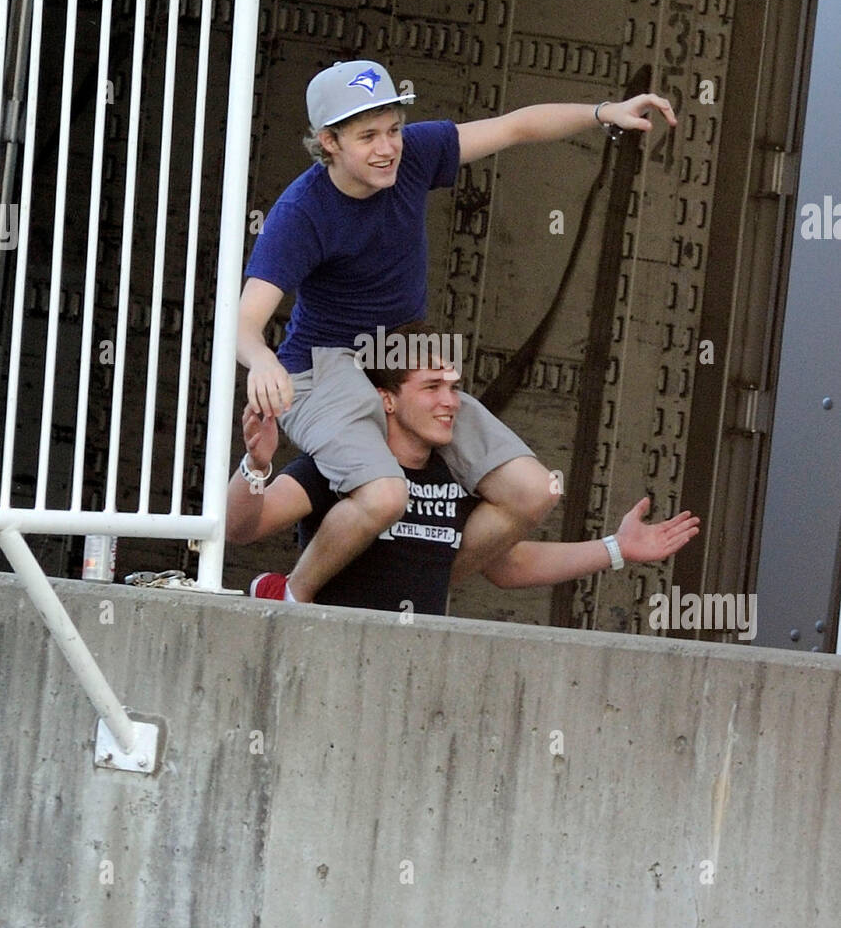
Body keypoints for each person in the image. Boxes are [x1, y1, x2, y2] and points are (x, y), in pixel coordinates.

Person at [237, 60, 677, 606]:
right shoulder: (302, 212)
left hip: (402, 362)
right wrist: (262, 361)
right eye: (367, 136)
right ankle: (289, 593)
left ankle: (421, 588)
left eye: (394, 130)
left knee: (534, 491)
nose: (387, 148)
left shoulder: (416, 156)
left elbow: (516, 126)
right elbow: (246, 323)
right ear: (328, 142)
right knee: (383, 495)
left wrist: (602, 113)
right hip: (324, 368)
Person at [226, 344, 699, 617]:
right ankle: (285, 589)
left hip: (414, 660)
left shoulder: (457, 478)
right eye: (432, 388)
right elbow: (241, 528)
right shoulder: (345, 467)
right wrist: (256, 464)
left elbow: (507, 565)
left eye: (454, 388)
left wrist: (616, 548)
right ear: (387, 400)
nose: (451, 401)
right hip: (329, 647)